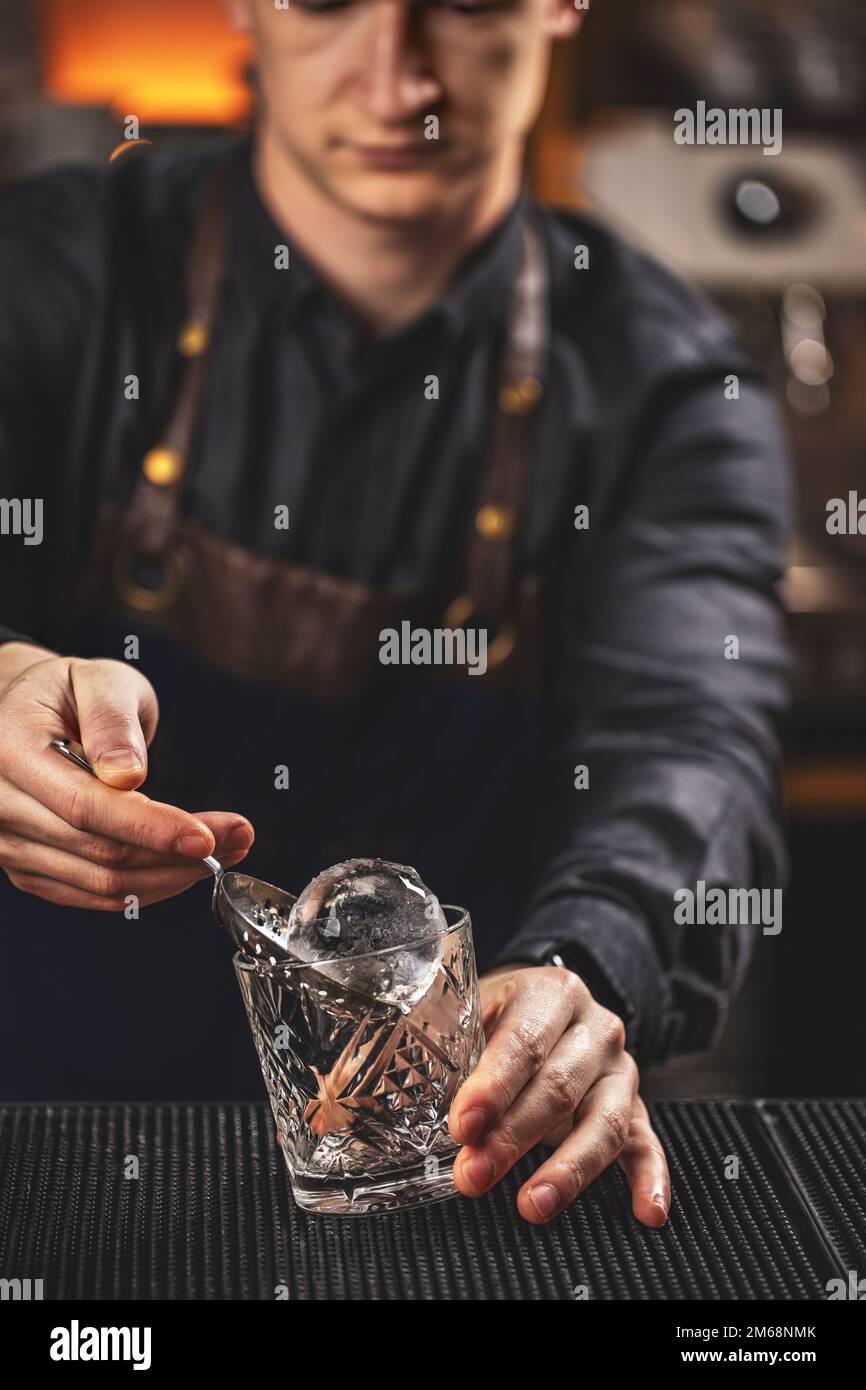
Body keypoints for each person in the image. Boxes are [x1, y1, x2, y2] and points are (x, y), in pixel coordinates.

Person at [0, 0, 790, 1229]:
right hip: (50, 1159)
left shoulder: (666, 382)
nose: (394, 73)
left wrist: (582, 967)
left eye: (462, 3)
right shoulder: (58, 266)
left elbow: (690, 746)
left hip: (460, 1184)